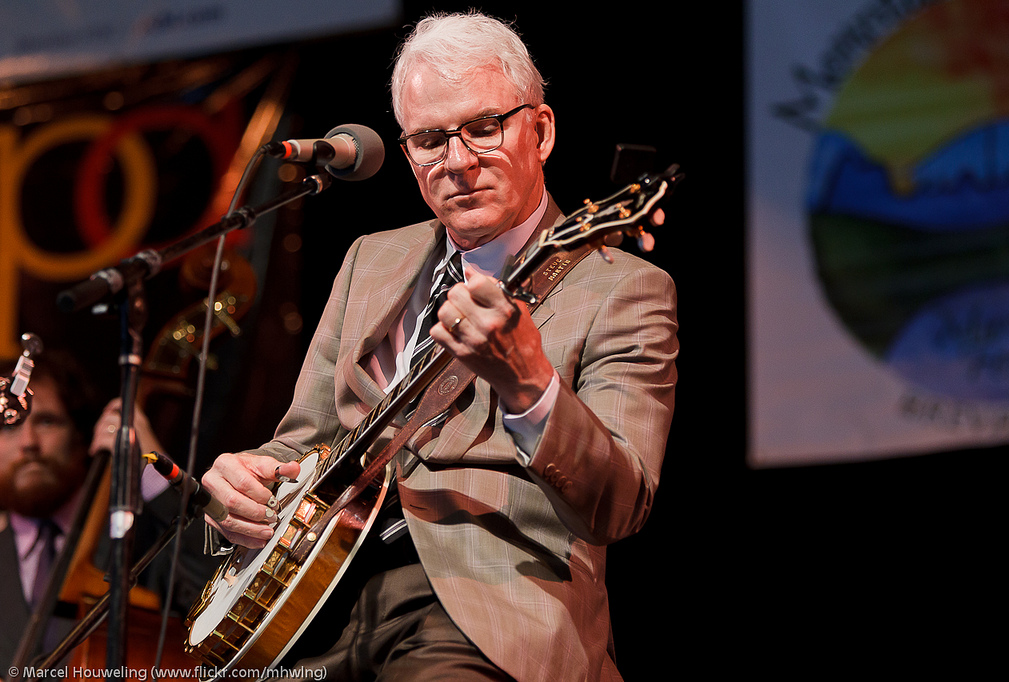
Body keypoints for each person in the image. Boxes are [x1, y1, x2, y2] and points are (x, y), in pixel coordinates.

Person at [201, 11, 678, 681]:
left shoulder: (624, 290)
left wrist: (529, 386)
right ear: (406, 153)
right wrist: (239, 485)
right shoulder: (370, 259)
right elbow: (299, 444)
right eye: (429, 140)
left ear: (540, 131)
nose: (457, 162)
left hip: (483, 612)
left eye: (484, 128)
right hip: (316, 602)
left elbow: (619, 504)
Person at [0, 350, 213, 674]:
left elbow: (216, 585)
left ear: (80, 433)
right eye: (8, 424)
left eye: (46, 421)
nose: (29, 442)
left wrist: (152, 468)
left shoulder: (145, 531)